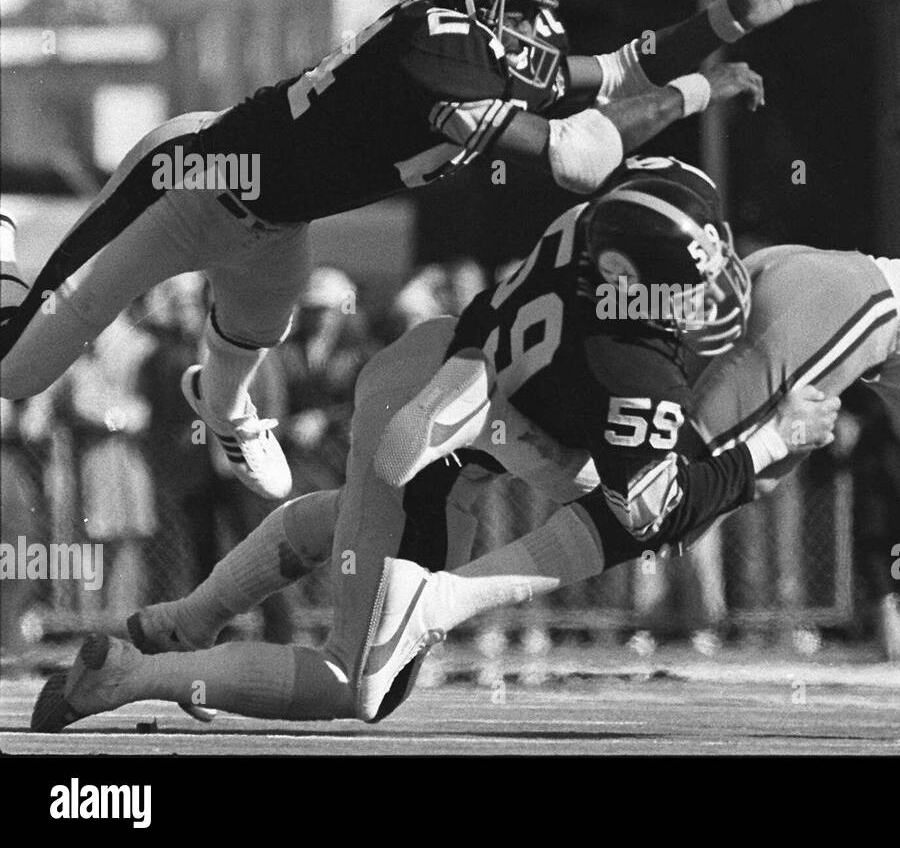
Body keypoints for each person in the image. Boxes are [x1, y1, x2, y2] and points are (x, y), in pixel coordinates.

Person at [1, 0, 830, 500]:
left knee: (251, 340)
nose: (537, 30)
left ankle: (222, 414)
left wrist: (729, 20)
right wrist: (698, 89)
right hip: (187, 182)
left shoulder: (476, 49)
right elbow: (581, 159)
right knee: (17, 370)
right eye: (522, 10)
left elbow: (615, 69)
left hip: (274, 215)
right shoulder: (439, 48)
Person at [31, 158, 836, 730]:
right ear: (626, 286)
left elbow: (526, 284)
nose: (710, 296)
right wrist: (769, 444)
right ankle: (133, 678)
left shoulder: (600, 225)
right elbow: (654, 511)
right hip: (438, 450)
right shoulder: (630, 363)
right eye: (684, 291)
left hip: (429, 372)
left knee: (356, 519)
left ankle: (185, 618)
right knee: (358, 686)